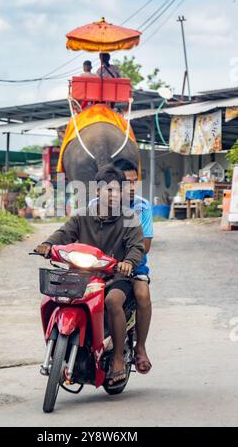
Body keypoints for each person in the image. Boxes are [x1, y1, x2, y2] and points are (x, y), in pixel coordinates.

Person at [36, 166, 144, 387]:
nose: (113, 195)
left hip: (115, 277)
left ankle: (116, 362)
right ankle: (62, 349)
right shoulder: (82, 215)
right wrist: (48, 244)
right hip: (83, 275)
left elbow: (136, 247)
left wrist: (128, 263)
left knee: (113, 301)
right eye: (108, 190)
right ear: (97, 191)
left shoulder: (130, 218)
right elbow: (64, 233)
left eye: (117, 190)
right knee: (57, 297)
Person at [112, 158, 153, 375]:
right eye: (128, 182)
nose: (133, 187)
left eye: (135, 182)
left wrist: (126, 258)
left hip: (134, 265)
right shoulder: (94, 206)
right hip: (101, 264)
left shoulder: (141, 206)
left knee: (142, 295)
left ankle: (141, 347)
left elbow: (145, 245)